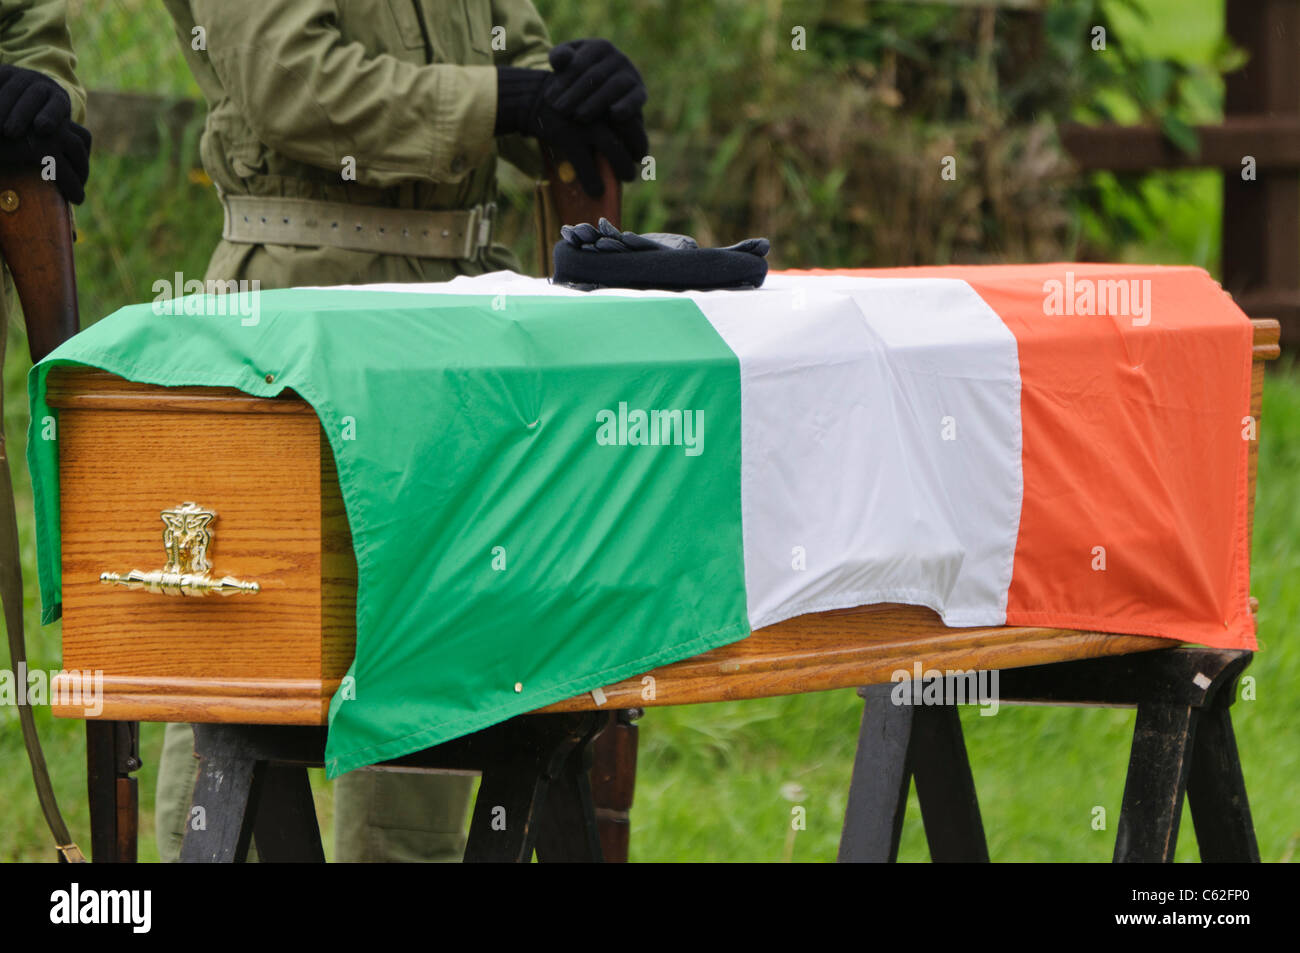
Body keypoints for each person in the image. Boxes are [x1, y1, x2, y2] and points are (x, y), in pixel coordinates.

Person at [156, 0, 648, 862]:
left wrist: (584, 93)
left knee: (433, 656)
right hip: (297, 310)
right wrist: (504, 102)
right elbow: (288, 81)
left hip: (455, 324)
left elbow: (518, 66)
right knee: (244, 655)